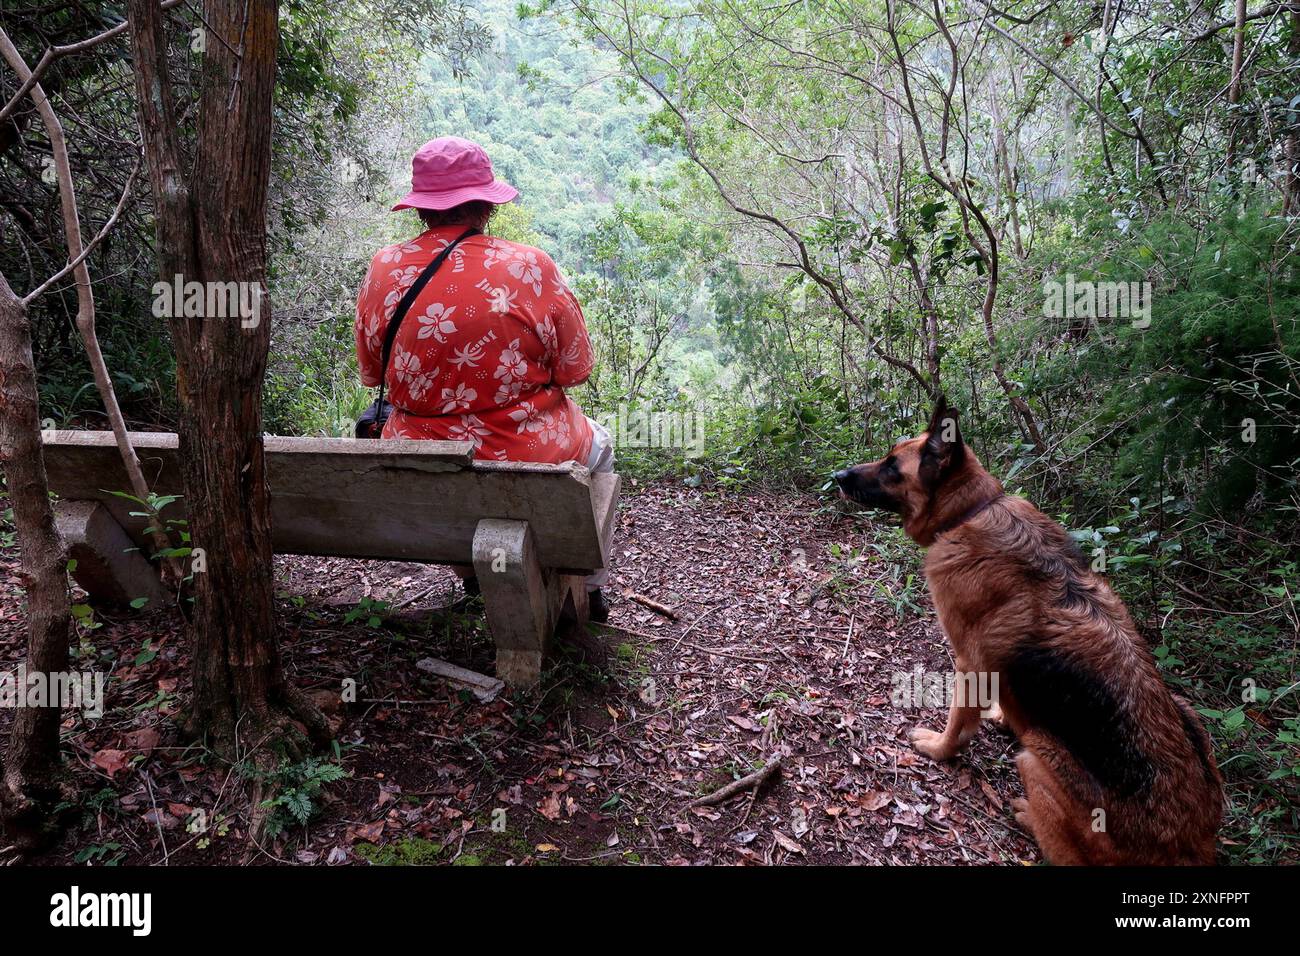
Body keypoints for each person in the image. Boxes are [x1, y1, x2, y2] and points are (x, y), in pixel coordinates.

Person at [355, 136, 613, 619]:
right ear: (484, 205)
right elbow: (576, 370)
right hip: (526, 454)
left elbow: (372, 372)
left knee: (446, 479)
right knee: (601, 445)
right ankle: (590, 589)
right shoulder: (530, 266)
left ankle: (477, 579)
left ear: (422, 208)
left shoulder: (383, 267)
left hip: (422, 458)